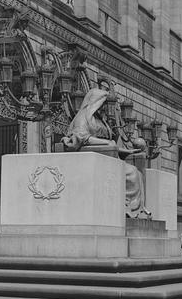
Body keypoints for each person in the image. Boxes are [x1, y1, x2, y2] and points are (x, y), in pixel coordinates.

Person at [62, 85, 149, 219]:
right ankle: (128, 208)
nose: (104, 108)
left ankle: (135, 209)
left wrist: (126, 150)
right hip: (92, 159)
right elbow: (81, 138)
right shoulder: (82, 118)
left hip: (106, 156)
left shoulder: (99, 119)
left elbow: (111, 144)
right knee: (131, 172)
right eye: (102, 104)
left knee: (136, 172)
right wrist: (107, 143)